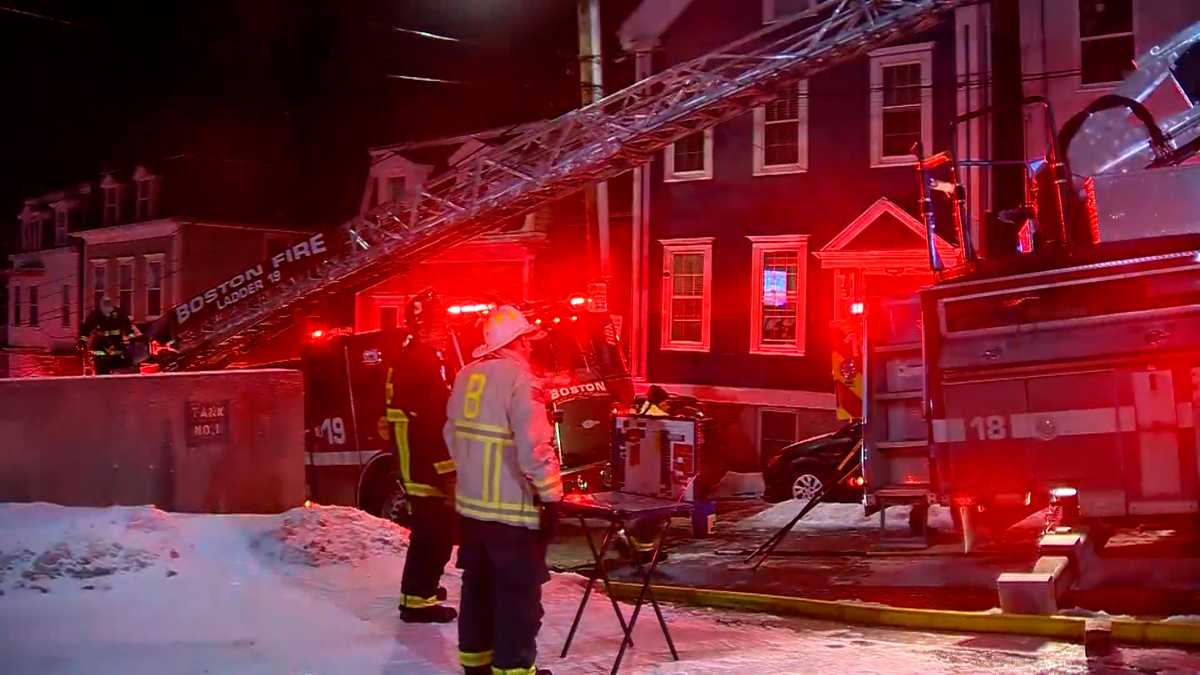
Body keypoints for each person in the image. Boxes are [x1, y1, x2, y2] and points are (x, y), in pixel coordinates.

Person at [445, 305, 562, 675]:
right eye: (528, 338)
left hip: (471, 509)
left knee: (477, 587)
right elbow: (534, 448)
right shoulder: (522, 381)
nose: (531, 345)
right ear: (518, 341)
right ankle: (512, 670)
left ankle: (475, 666)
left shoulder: (465, 375)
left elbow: (451, 434)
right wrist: (552, 493)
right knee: (517, 597)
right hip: (511, 512)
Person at [385, 289, 459, 623]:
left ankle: (420, 590)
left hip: (413, 457)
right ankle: (418, 601)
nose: (442, 327)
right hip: (424, 461)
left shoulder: (410, 354)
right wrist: (447, 468)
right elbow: (432, 419)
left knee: (429, 531)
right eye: (436, 321)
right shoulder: (423, 359)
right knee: (436, 533)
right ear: (420, 323)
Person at [79, 296, 138, 375]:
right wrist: (82, 341)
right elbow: (86, 328)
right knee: (101, 369)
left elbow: (128, 328)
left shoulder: (119, 313)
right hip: (101, 345)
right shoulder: (96, 314)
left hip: (116, 343)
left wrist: (132, 339)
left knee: (122, 366)